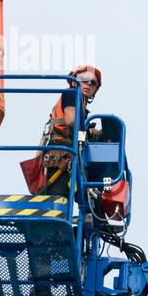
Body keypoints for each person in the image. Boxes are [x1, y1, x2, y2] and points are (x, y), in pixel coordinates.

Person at [37, 65, 101, 197]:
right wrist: (87, 133)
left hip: (68, 156)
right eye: (84, 79)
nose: (88, 84)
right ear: (74, 80)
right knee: (58, 202)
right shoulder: (73, 93)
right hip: (61, 154)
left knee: (89, 196)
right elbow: (71, 122)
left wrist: (94, 132)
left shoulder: (80, 102)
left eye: (93, 83)